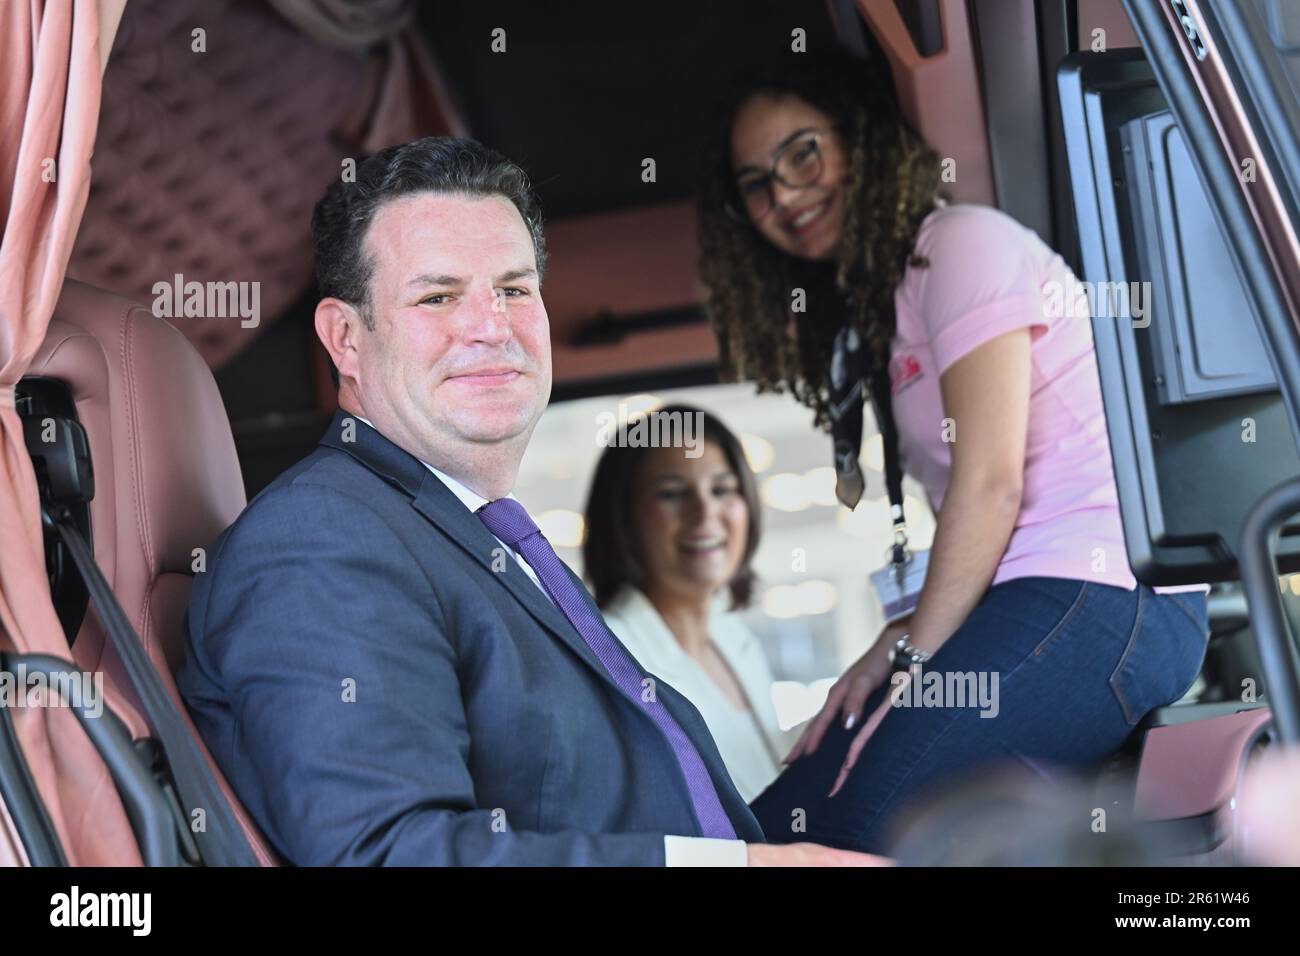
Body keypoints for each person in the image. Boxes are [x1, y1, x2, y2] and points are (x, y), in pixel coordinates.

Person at [177, 136, 878, 866]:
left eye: (514, 290)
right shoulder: (318, 537)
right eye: (438, 296)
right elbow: (389, 854)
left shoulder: (477, 535)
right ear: (346, 340)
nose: (492, 326)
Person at [695, 50, 1212, 853]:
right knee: (766, 829)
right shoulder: (885, 304)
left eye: (803, 153)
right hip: (1026, 593)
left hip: (1104, 590)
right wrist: (885, 650)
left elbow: (992, 485)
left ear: (859, 139)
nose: (786, 194)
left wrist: (912, 661)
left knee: (862, 831)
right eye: (756, 184)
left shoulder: (960, 245)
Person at [584, 404, 797, 802]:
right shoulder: (611, 656)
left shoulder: (732, 634)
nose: (705, 514)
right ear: (623, 519)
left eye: (722, 489)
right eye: (672, 494)